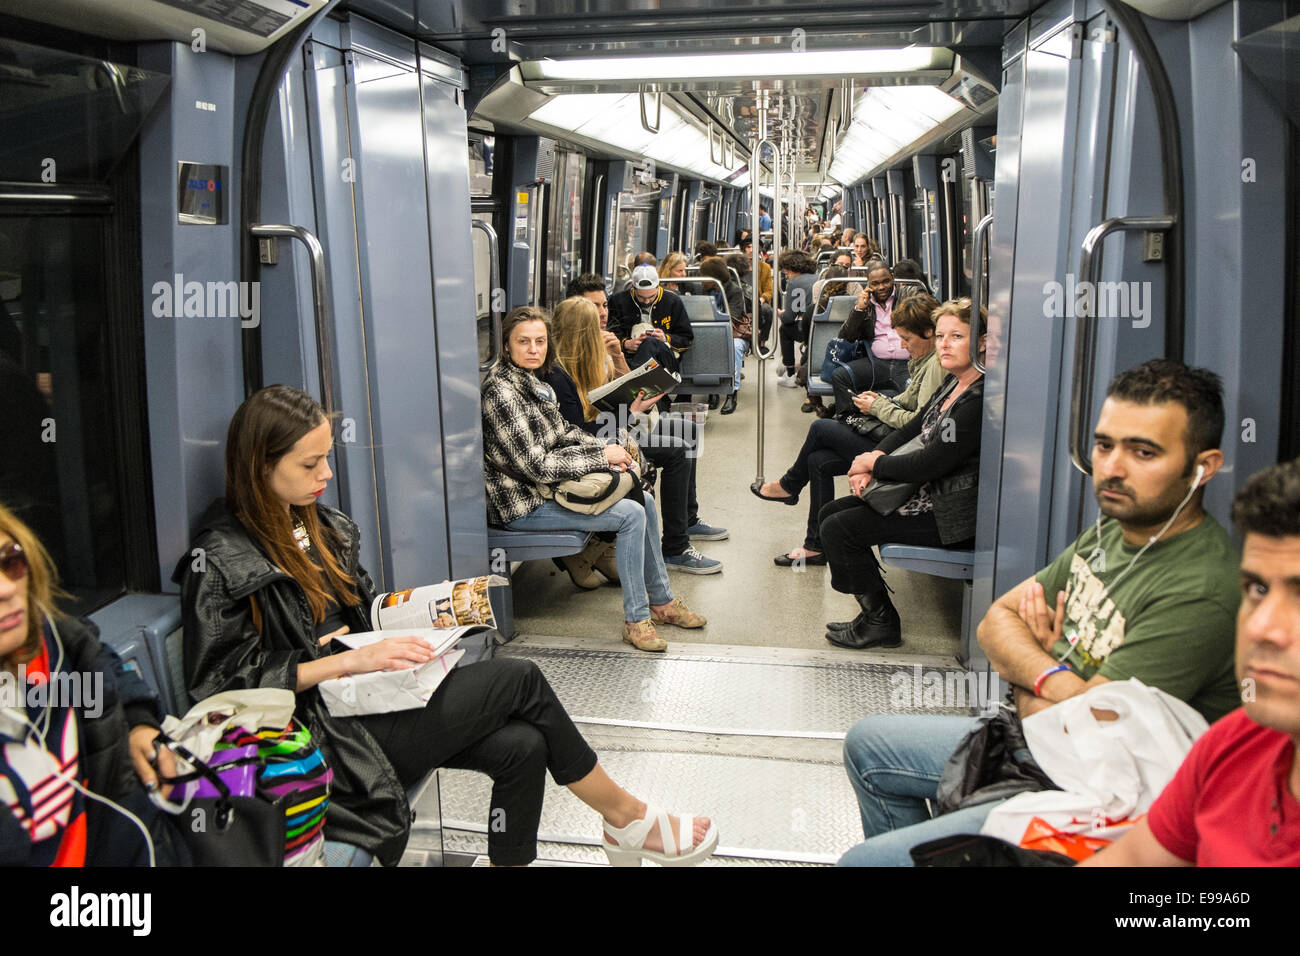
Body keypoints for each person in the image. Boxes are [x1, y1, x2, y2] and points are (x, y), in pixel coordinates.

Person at [178, 382, 718, 868]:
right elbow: (222, 683)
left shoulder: (321, 527)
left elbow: (357, 619)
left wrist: (425, 613)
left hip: (370, 695)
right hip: (323, 730)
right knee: (519, 678)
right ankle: (626, 818)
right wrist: (343, 659)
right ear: (259, 466)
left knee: (523, 745)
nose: (326, 475)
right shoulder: (222, 558)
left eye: (326, 459)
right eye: (309, 464)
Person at [839, 359, 1241, 866]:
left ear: (1203, 467)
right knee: (868, 745)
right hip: (1042, 733)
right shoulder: (1118, 531)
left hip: (1104, 794)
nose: (1112, 468)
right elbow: (996, 622)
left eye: (1143, 452)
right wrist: (1054, 675)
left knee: (864, 863)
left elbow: (1089, 742)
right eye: (1104, 445)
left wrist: (1028, 673)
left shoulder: (1198, 589)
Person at [1080, 457, 1300, 867]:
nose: (1263, 627)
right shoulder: (1239, 741)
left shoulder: (1198, 586)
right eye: (1257, 588)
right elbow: (1133, 859)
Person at [483, 307, 709, 652]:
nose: (533, 349)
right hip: (522, 502)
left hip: (546, 489)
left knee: (643, 500)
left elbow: (564, 431)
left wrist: (609, 443)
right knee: (631, 515)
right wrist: (601, 457)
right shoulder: (502, 393)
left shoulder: (532, 380)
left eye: (540, 341)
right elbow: (536, 465)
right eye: (523, 342)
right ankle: (636, 621)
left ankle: (662, 602)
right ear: (507, 346)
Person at [0, 502, 186, 867]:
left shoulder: (51, 642)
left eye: (10, 561)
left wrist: (135, 723)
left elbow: (101, 668)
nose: (6, 587)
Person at [818, 297, 984, 649]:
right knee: (830, 513)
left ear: (982, 342)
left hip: (949, 514)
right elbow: (912, 429)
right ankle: (872, 613)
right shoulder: (954, 384)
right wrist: (874, 454)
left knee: (839, 529)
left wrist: (872, 465)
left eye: (957, 336)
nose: (944, 344)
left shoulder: (977, 400)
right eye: (940, 336)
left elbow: (930, 463)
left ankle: (881, 621)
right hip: (926, 496)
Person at [751, 294, 947, 568]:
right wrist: (881, 401)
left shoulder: (937, 365)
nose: (902, 345)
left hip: (904, 448)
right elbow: (910, 400)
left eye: (907, 339)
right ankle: (815, 547)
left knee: (820, 428)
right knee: (817, 461)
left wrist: (878, 408)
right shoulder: (924, 359)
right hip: (896, 437)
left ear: (928, 332)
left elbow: (918, 423)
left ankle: (789, 485)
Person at [549, 296, 724, 575]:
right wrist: (631, 413)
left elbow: (622, 384)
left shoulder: (593, 357)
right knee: (676, 451)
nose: (604, 325)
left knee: (686, 432)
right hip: (599, 442)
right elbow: (580, 434)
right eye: (595, 326)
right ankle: (676, 548)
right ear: (581, 334)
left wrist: (618, 356)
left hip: (615, 430)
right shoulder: (558, 377)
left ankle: (686, 521)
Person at [830, 260, 913, 416]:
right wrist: (859, 309)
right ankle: (848, 418)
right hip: (877, 363)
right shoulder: (866, 304)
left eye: (886, 281)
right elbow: (846, 337)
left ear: (893, 278)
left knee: (912, 397)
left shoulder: (908, 295)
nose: (881, 287)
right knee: (839, 376)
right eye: (875, 283)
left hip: (908, 364)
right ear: (868, 284)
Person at [607, 265, 693, 376]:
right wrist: (625, 344)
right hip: (629, 358)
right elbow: (611, 333)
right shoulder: (618, 301)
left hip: (665, 361)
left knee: (649, 342)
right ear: (633, 287)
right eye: (641, 297)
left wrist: (665, 338)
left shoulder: (672, 301)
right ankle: (642, 383)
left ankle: (634, 379)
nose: (647, 301)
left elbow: (686, 338)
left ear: (658, 286)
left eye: (652, 297)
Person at [698, 256, 748, 416]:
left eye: (703, 275)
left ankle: (732, 393)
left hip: (733, 333)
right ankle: (712, 389)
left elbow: (732, 317)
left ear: (713, 277)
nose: (700, 279)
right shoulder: (701, 289)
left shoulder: (734, 290)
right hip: (709, 331)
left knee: (735, 348)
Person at [566, 273, 628, 377]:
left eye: (605, 305)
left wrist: (618, 357)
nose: (603, 313)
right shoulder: (566, 347)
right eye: (594, 306)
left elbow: (632, 389)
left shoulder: (606, 341)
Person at [774, 250, 818, 387]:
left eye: (787, 269)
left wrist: (779, 313)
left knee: (785, 329)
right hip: (820, 328)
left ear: (794, 268)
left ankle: (790, 373)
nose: (786, 273)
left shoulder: (795, 283)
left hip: (808, 330)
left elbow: (788, 318)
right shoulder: (817, 277)